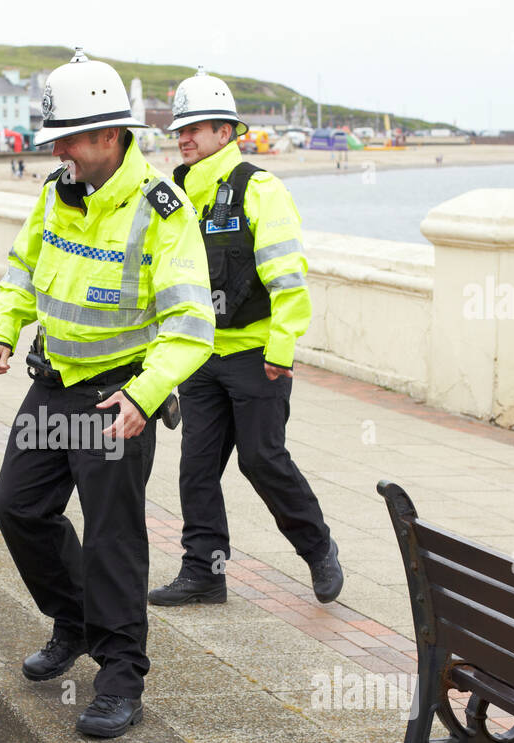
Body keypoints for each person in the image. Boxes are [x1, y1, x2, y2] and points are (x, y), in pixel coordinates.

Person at [0, 49, 214, 738]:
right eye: (55, 138)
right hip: (54, 386)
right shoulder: (58, 191)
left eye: (70, 138)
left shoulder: (162, 212)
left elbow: (190, 328)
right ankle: (74, 622)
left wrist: (144, 398)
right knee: (16, 507)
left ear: (111, 136)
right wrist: (3, 330)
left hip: (118, 397)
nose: (58, 150)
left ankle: (119, 677)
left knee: (113, 539)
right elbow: (23, 271)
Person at [148, 68, 342, 609]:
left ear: (226, 132)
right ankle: (204, 572)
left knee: (262, 459)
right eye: (178, 130)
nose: (183, 137)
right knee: (196, 467)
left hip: (257, 356)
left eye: (196, 128)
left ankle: (319, 548)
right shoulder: (171, 194)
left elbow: (287, 278)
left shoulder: (261, 189)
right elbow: (156, 276)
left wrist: (281, 349)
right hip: (200, 357)